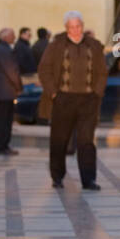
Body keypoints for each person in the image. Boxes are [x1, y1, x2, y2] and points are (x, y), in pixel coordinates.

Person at [39, 11, 106, 190]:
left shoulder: (94, 45)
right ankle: (57, 176)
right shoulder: (56, 45)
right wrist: (54, 93)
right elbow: (44, 70)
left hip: (88, 100)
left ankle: (88, 179)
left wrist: (97, 93)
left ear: (82, 26)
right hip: (63, 99)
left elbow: (102, 72)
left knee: (86, 141)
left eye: (78, 26)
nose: (75, 30)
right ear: (66, 28)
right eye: (72, 27)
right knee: (59, 140)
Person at [0, 28, 22, 156]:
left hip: (3, 91)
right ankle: (1, 146)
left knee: (2, 120)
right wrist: (19, 86)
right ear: (5, 37)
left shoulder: (0, 49)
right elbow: (11, 70)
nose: (14, 37)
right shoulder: (4, 51)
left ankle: (0, 145)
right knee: (4, 121)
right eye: (12, 35)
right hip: (5, 92)